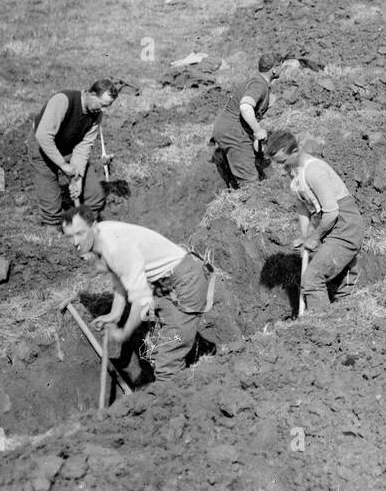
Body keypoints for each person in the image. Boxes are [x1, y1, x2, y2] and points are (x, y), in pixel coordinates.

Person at [61, 206, 213, 382]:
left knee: (167, 361)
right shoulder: (101, 235)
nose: (74, 242)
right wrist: (115, 313)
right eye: (69, 236)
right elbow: (119, 276)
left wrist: (124, 333)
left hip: (185, 284)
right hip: (167, 284)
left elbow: (142, 301)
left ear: (93, 226)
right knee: (160, 346)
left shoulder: (116, 248)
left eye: (79, 233)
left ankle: (175, 403)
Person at [264, 131, 365, 316]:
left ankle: (320, 326)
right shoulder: (295, 172)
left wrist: (315, 237)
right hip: (330, 227)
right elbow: (303, 207)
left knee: (311, 279)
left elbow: (332, 212)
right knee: (341, 281)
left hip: (344, 226)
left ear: (295, 151)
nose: (280, 167)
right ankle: (342, 319)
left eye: (282, 161)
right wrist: (305, 237)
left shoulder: (314, 171)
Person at [28, 79, 117, 226]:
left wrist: (78, 179)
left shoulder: (96, 115)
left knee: (95, 196)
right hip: (42, 148)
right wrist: (63, 165)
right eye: (102, 104)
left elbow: (83, 147)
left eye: (107, 106)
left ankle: (87, 225)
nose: (103, 110)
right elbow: (43, 135)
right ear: (91, 94)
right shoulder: (63, 100)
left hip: (69, 147)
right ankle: (55, 235)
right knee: (52, 212)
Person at [210, 54, 285, 189]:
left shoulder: (257, 80)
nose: (282, 69)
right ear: (274, 69)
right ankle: (248, 205)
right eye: (281, 66)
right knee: (250, 181)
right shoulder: (258, 85)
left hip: (230, 128)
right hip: (233, 132)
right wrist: (257, 131)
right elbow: (245, 107)